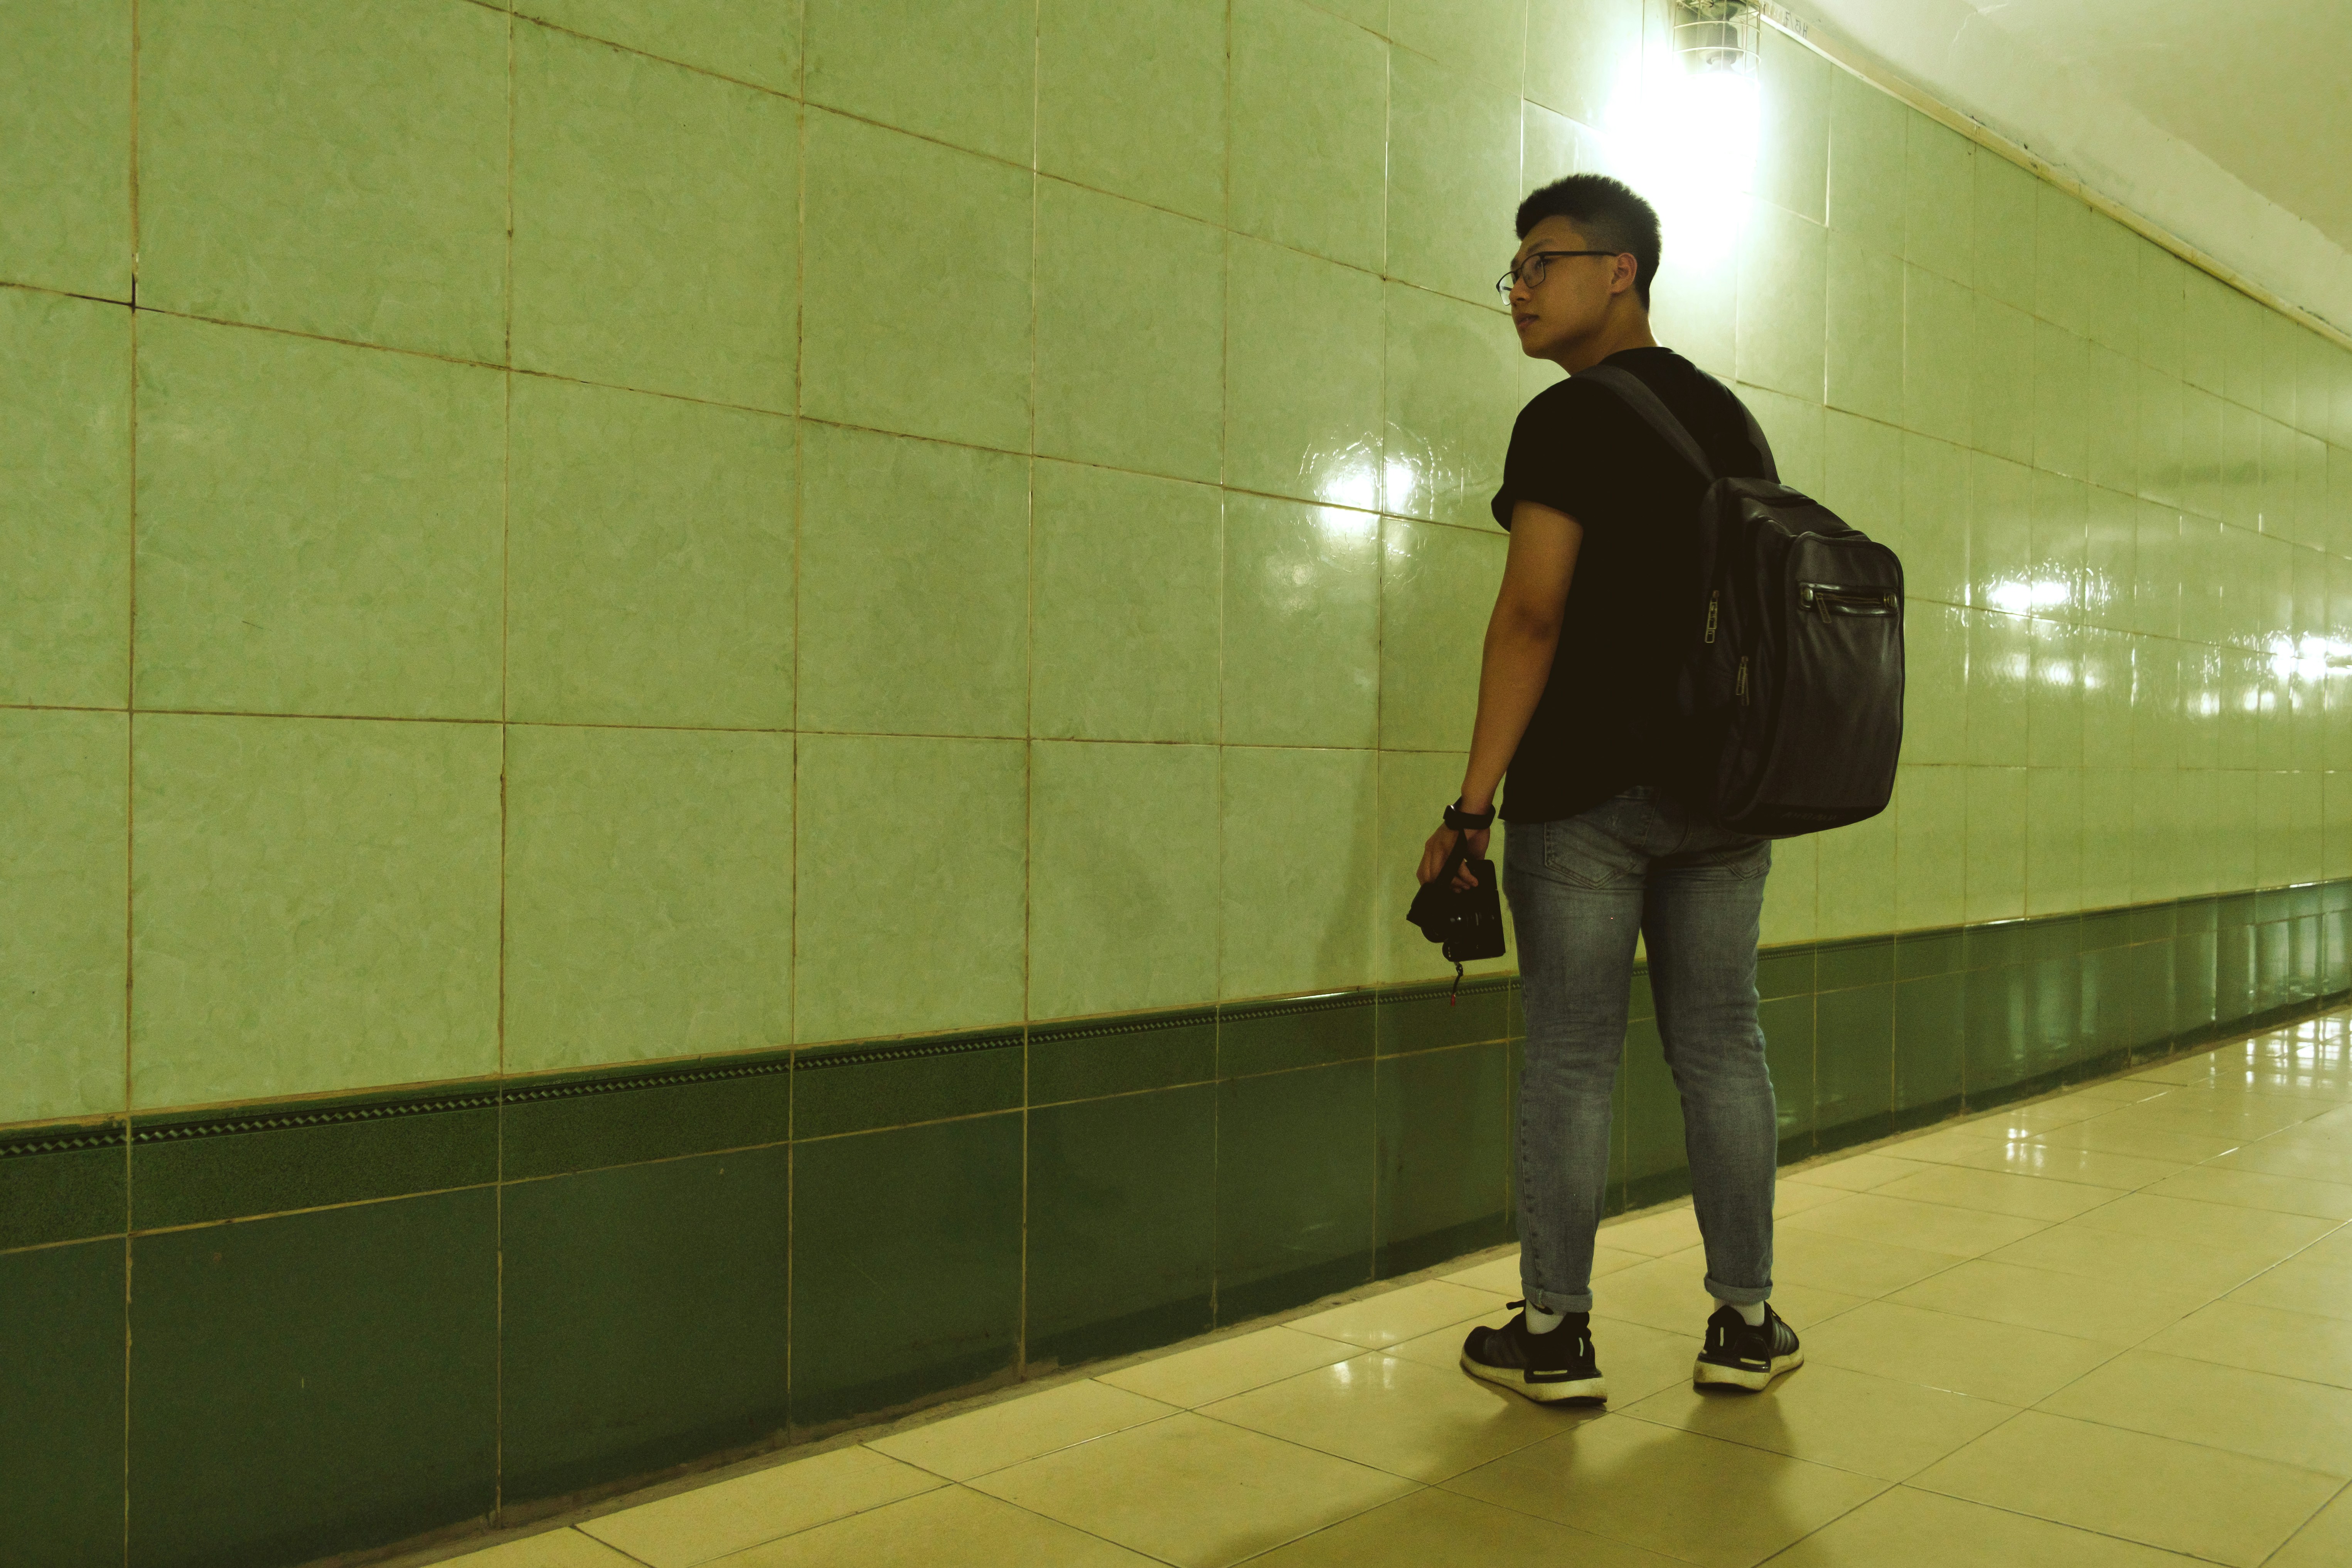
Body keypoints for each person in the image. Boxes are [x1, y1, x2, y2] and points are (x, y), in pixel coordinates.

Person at [1419, 174, 1802, 1403]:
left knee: (1573, 1056)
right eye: (1514, 271)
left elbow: (1531, 615)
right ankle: (1745, 1321)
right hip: (1726, 790)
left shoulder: (1565, 419)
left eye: (1540, 263)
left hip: (1586, 787)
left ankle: (1554, 1333)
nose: (1518, 289)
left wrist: (1469, 804)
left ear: (1619, 272)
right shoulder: (1733, 423)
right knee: (1722, 1045)